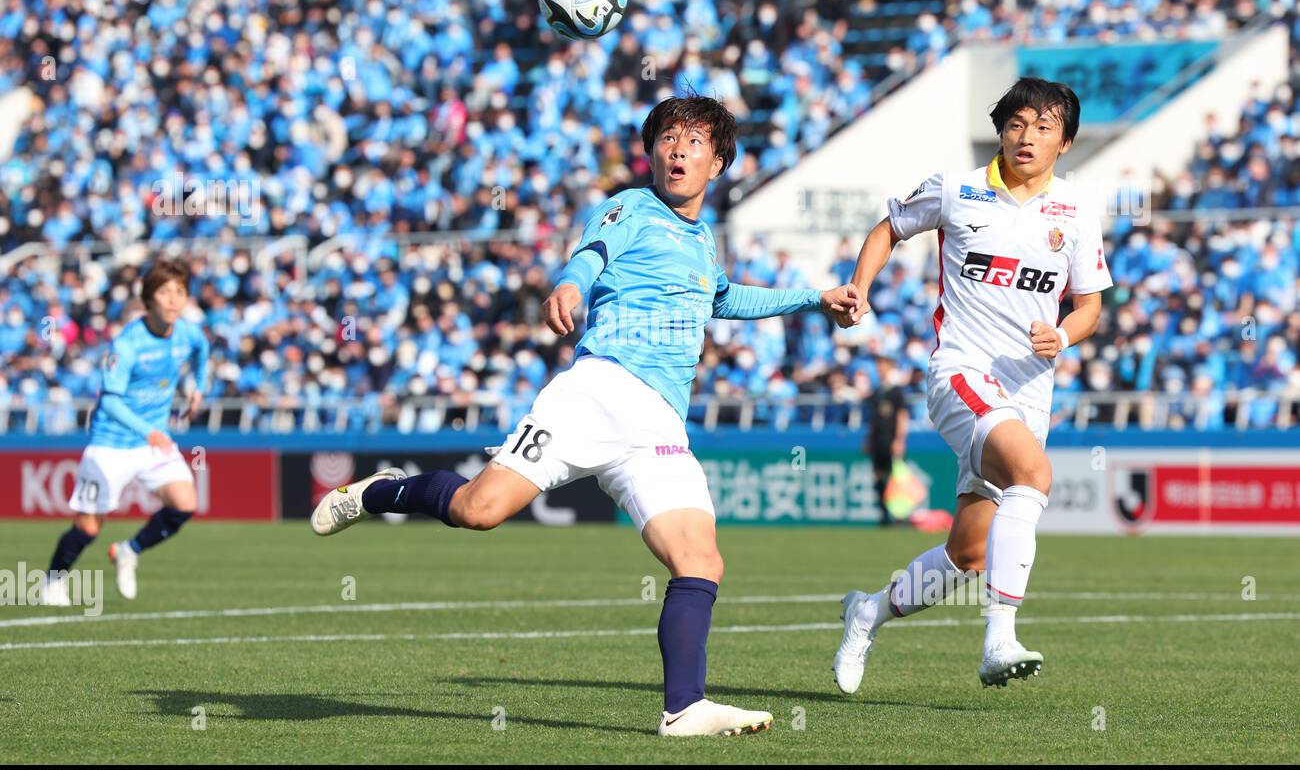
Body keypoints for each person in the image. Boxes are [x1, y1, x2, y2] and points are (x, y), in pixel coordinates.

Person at [311, 95, 859, 736]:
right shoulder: (631, 207)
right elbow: (592, 253)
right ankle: (382, 490)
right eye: (667, 139)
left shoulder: (702, 241)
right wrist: (571, 284)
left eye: (693, 142)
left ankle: (683, 707)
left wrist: (813, 297)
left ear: (718, 163)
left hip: (659, 424)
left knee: (701, 560)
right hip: (596, 394)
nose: (677, 150)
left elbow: (725, 296)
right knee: (477, 511)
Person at [833, 78, 1112, 691]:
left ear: (1064, 141)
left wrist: (1063, 336)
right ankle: (999, 637)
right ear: (1001, 130)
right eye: (1016, 123)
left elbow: (1089, 305)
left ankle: (866, 612)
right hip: (962, 372)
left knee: (968, 555)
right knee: (1034, 476)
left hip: (1029, 393)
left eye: (1043, 127)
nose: (1027, 136)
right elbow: (888, 229)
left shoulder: (1076, 212)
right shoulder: (956, 189)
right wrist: (861, 286)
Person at [43, 259, 208, 604]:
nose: (174, 300)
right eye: (165, 292)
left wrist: (198, 388)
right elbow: (111, 403)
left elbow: (202, 350)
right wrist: (150, 432)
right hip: (112, 444)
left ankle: (129, 550)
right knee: (88, 527)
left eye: (180, 292)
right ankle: (53, 581)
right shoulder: (127, 344)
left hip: (152, 444)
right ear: (149, 299)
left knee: (185, 503)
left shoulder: (188, 332)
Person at [864, 355, 910, 526]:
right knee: (878, 476)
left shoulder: (896, 390)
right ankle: (884, 514)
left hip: (890, 440)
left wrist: (899, 439)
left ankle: (899, 516)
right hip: (878, 440)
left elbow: (902, 415)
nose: (879, 369)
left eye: (881, 365)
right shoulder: (878, 390)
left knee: (895, 479)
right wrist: (868, 439)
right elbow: (873, 418)